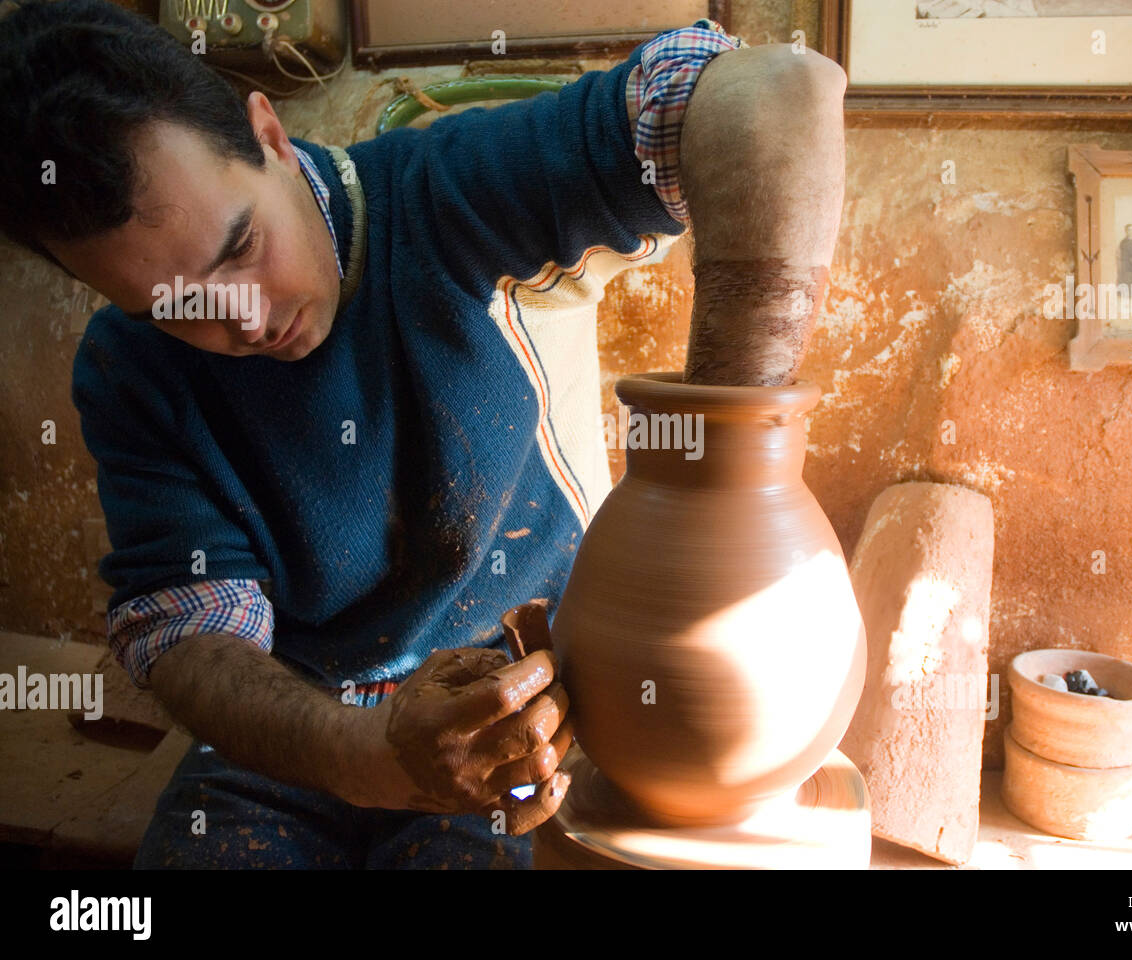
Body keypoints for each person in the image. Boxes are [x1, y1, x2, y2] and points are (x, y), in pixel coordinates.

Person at [0, 1, 847, 867]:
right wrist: (360, 755)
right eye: (174, 307)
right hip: (290, 721)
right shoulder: (129, 368)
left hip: (519, 704)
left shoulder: (459, 195)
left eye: (239, 248)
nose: (242, 320)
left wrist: (728, 466)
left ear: (269, 135)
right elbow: (187, 630)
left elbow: (777, 91)